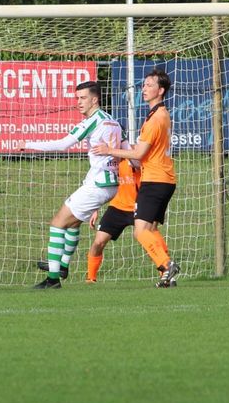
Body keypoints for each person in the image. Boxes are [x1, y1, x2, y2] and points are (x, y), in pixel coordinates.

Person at [21, 80, 123, 290]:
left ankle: (53, 279)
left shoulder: (94, 121)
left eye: (83, 98)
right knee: (73, 223)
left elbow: (63, 144)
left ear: (95, 99)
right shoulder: (113, 121)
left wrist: (28, 144)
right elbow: (124, 149)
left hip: (98, 184)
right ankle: (63, 267)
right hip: (110, 183)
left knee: (58, 223)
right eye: (77, 98)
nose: (78, 102)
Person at [92, 68, 180, 287]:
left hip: (155, 180)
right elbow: (144, 151)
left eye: (149, 85)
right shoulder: (161, 114)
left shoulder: (155, 120)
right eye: (144, 85)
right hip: (164, 179)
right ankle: (167, 275)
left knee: (140, 231)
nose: (144, 88)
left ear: (161, 90)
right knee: (149, 229)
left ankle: (166, 265)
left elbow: (139, 155)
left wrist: (109, 150)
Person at [83, 159, 137, 284]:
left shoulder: (140, 160)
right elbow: (99, 182)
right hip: (117, 207)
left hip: (139, 207)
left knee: (148, 239)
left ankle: (165, 274)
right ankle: (91, 279)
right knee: (98, 242)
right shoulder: (115, 162)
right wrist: (95, 209)